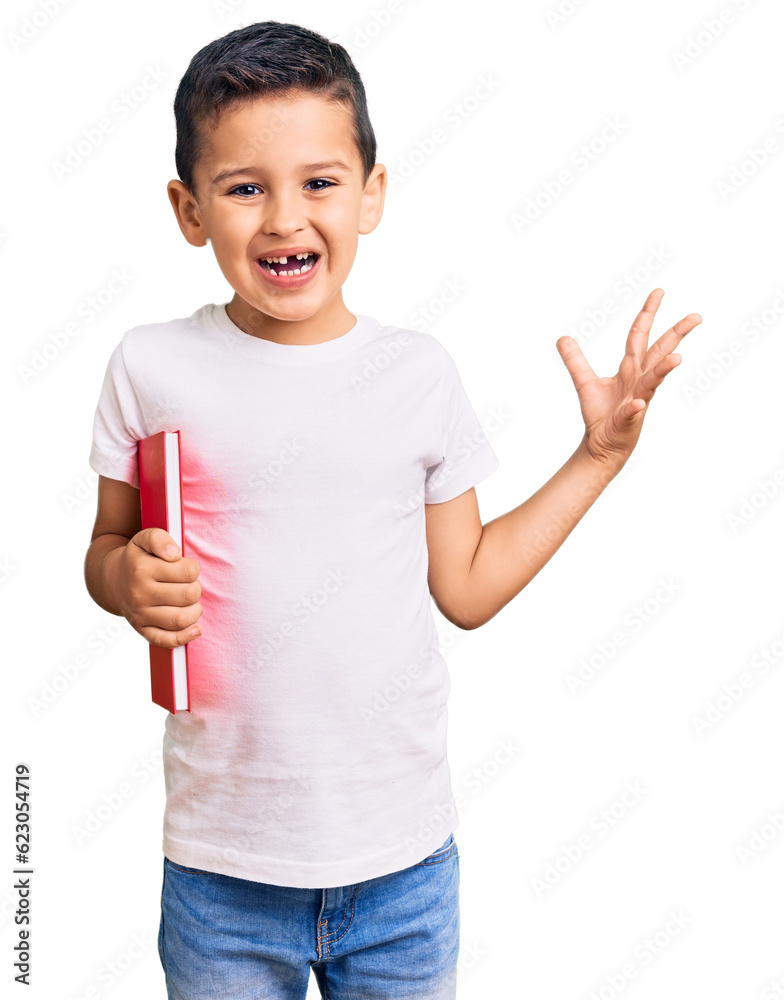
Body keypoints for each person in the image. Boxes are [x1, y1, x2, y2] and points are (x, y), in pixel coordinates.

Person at [83, 19, 702, 1000]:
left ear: (371, 194)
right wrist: (125, 579)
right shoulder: (150, 367)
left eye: (319, 182)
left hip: (402, 873)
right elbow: (107, 548)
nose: (285, 218)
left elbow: (465, 586)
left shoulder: (414, 375)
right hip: (220, 873)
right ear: (188, 209)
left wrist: (597, 456)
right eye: (245, 187)